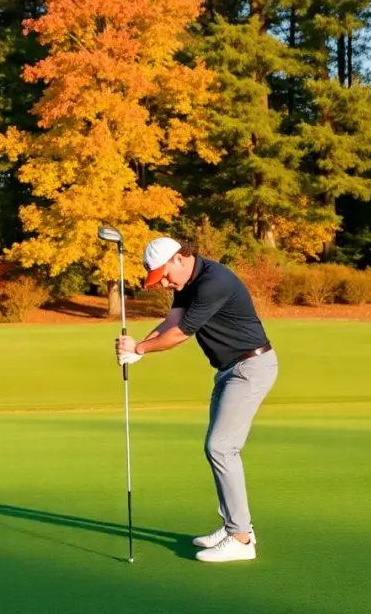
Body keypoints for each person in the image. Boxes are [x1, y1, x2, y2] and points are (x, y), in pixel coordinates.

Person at [115, 236, 278, 563]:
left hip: (251, 367)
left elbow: (179, 334)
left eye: (164, 275)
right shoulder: (187, 283)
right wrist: (139, 349)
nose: (163, 283)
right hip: (229, 370)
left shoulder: (213, 282)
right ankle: (234, 525)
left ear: (179, 258)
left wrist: (140, 349)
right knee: (218, 449)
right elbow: (171, 322)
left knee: (221, 448)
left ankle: (241, 539)